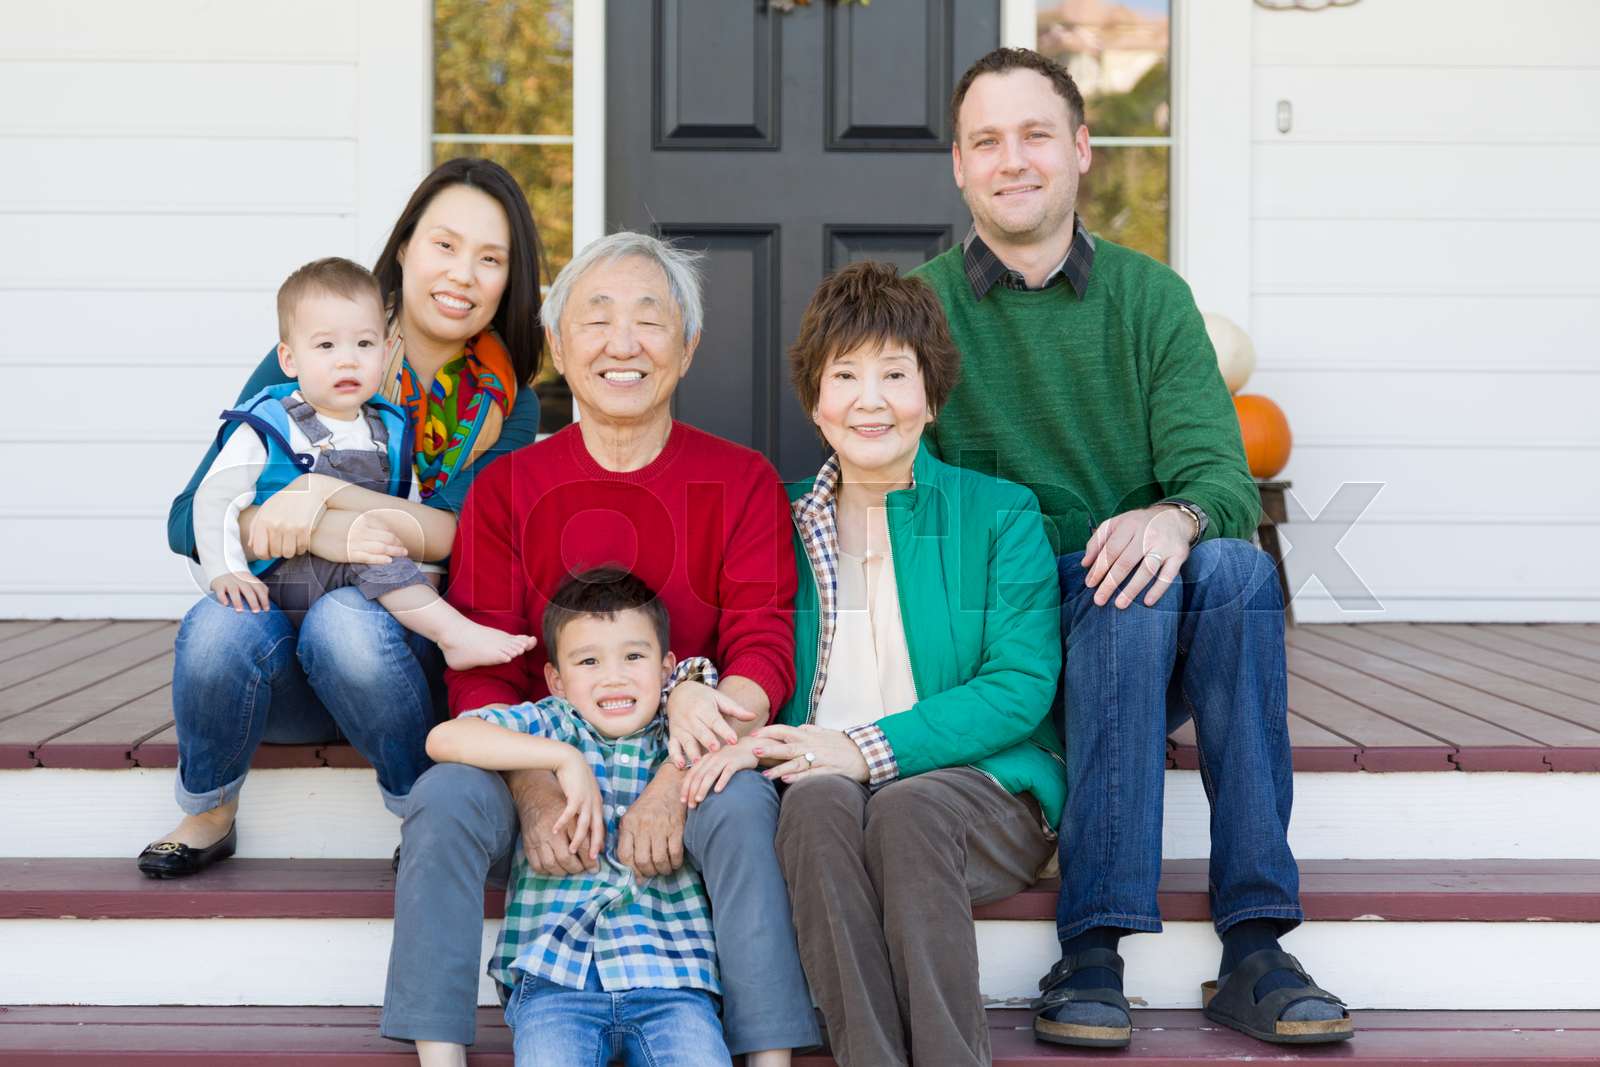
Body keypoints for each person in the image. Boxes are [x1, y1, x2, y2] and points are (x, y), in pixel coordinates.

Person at [907, 47, 1354, 1047]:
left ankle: (1255, 942)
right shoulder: (920, 308)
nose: (1012, 159)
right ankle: (1094, 938)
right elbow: (907, 499)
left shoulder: (1150, 299)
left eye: (1034, 135)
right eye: (987, 140)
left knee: (1233, 569)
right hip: (1012, 630)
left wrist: (1174, 516)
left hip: (1150, 620)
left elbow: (1223, 481)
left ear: (1080, 150)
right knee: (1122, 585)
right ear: (957, 164)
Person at [383, 231, 818, 1067]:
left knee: (742, 808)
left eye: (649, 320)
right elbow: (483, 674)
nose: (624, 344)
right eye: (598, 319)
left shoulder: (743, 480)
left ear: (686, 348)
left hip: (692, 759)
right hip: (545, 755)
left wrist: (672, 782)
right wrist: (538, 787)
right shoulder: (509, 487)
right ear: (557, 345)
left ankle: (767, 1055)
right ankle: (437, 1055)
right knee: (440, 798)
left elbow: (763, 656)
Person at [682, 261, 1065, 1067]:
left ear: (931, 396)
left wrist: (862, 748)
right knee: (817, 807)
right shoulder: (774, 518)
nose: (870, 398)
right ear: (816, 402)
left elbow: (1020, 686)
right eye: (845, 375)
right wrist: (688, 682)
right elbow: (717, 636)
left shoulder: (1001, 515)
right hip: (818, 782)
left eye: (895, 373)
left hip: (980, 792)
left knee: (904, 809)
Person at [139, 157, 547, 879]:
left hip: (395, 661)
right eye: (444, 245)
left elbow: (454, 533)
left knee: (345, 623)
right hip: (279, 661)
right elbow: (187, 516)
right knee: (214, 627)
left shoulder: (506, 405)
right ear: (405, 248)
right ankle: (209, 809)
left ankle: (429, 810)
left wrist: (316, 495)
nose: (461, 274)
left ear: (510, 282)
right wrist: (284, 517)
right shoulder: (313, 348)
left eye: (490, 259)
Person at [426, 568, 732, 1067]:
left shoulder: (680, 734)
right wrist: (560, 759)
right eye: (588, 661)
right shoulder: (548, 723)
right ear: (557, 680)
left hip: (673, 982)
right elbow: (444, 739)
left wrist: (686, 693)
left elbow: (712, 688)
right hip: (555, 986)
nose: (614, 676)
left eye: (634, 656)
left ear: (665, 668)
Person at [189, 256, 536, 669]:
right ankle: (453, 633)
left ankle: (447, 633)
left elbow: (406, 512)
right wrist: (225, 570)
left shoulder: (386, 430)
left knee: (377, 545)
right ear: (289, 360)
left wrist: (422, 570)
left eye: (364, 345)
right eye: (326, 346)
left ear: (386, 350)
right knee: (369, 553)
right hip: (278, 578)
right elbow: (214, 497)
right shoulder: (269, 423)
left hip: (352, 589)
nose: (347, 360)